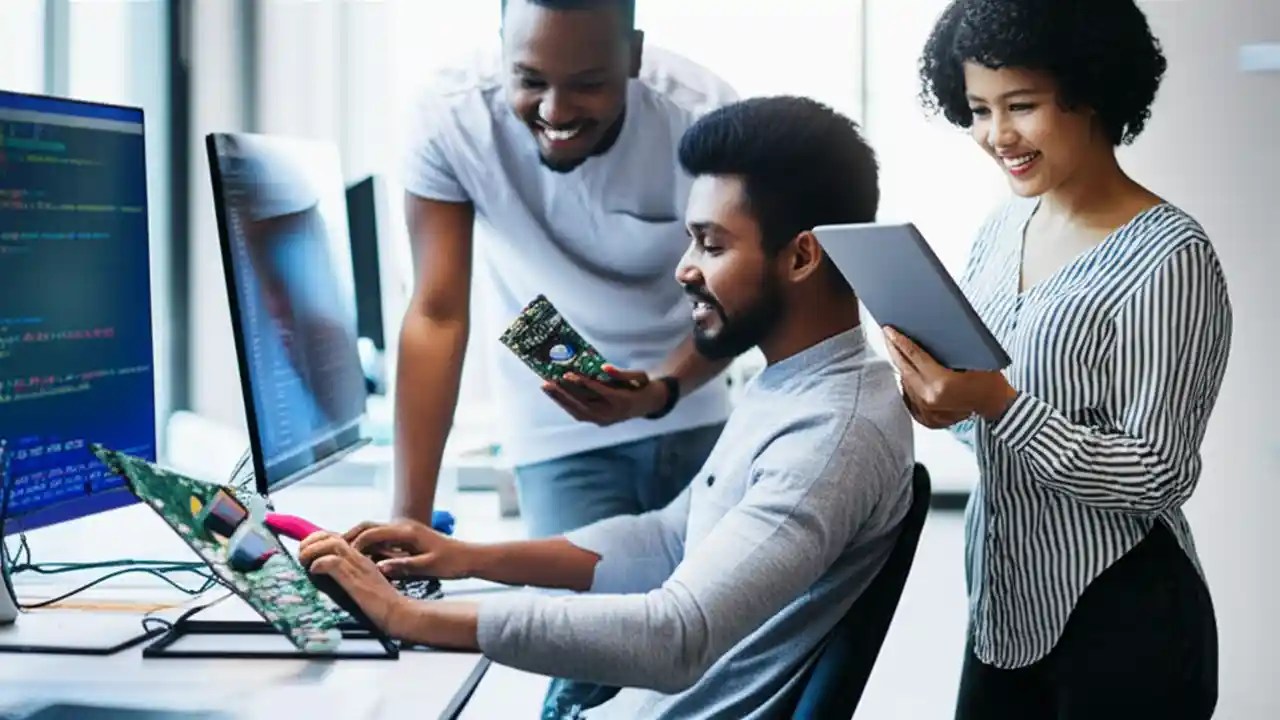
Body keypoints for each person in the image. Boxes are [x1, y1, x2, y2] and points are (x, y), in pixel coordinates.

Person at [300, 95, 915, 719]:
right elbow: (669, 542)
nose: (684, 268)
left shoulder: (836, 430)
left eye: (711, 245)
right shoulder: (792, 384)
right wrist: (464, 557)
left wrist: (408, 615)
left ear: (802, 257)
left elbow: (676, 634)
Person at [885, 1, 1232, 718]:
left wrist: (995, 403)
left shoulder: (1171, 256)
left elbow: (1159, 472)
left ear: (1092, 91)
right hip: (1003, 608)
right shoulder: (1003, 225)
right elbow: (986, 414)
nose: (996, 135)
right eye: (978, 109)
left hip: (1125, 614)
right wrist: (942, 401)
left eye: (1021, 105)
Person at [393, 0, 738, 545]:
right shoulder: (450, 119)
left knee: (711, 617)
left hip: (690, 399)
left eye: (587, 84)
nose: (555, 111)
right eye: (530, 80)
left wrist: (660, 391)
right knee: (579, 624)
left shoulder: (705, 118)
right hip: (554, 428)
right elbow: (436, 316)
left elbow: (742, 298)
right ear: (502, 47)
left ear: (633, 56)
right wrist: (408, 522)